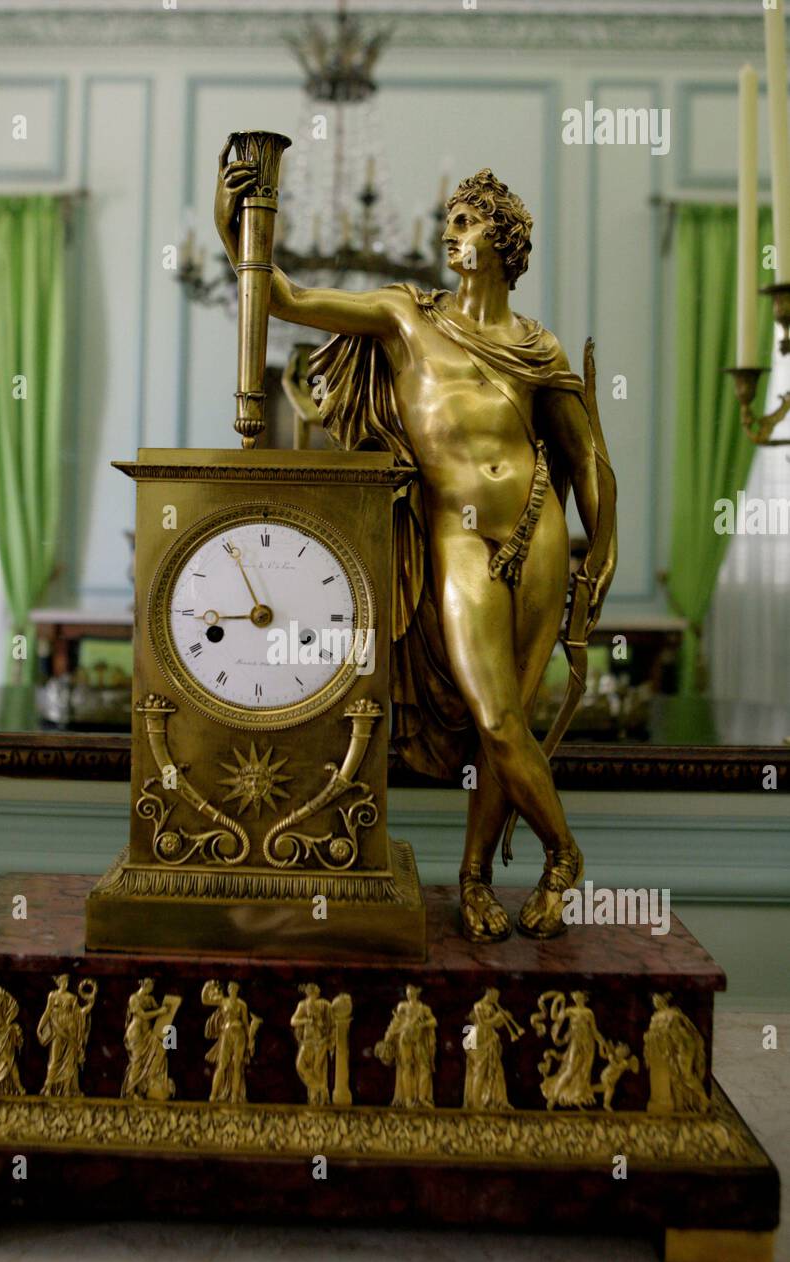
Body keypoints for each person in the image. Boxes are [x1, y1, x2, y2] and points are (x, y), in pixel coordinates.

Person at [215, 159, 616, 942]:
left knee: (509, 725)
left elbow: (584, 456)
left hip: (537, 538)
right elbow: (288, 298)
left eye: (463, 221)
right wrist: (235, 230)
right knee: (494, 716)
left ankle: (472, 881)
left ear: (501, 238)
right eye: (449, 220)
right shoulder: (405, 316)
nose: (448, 232)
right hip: (455, 536)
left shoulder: (538, 346)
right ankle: (563, 852)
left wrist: (597, 549)